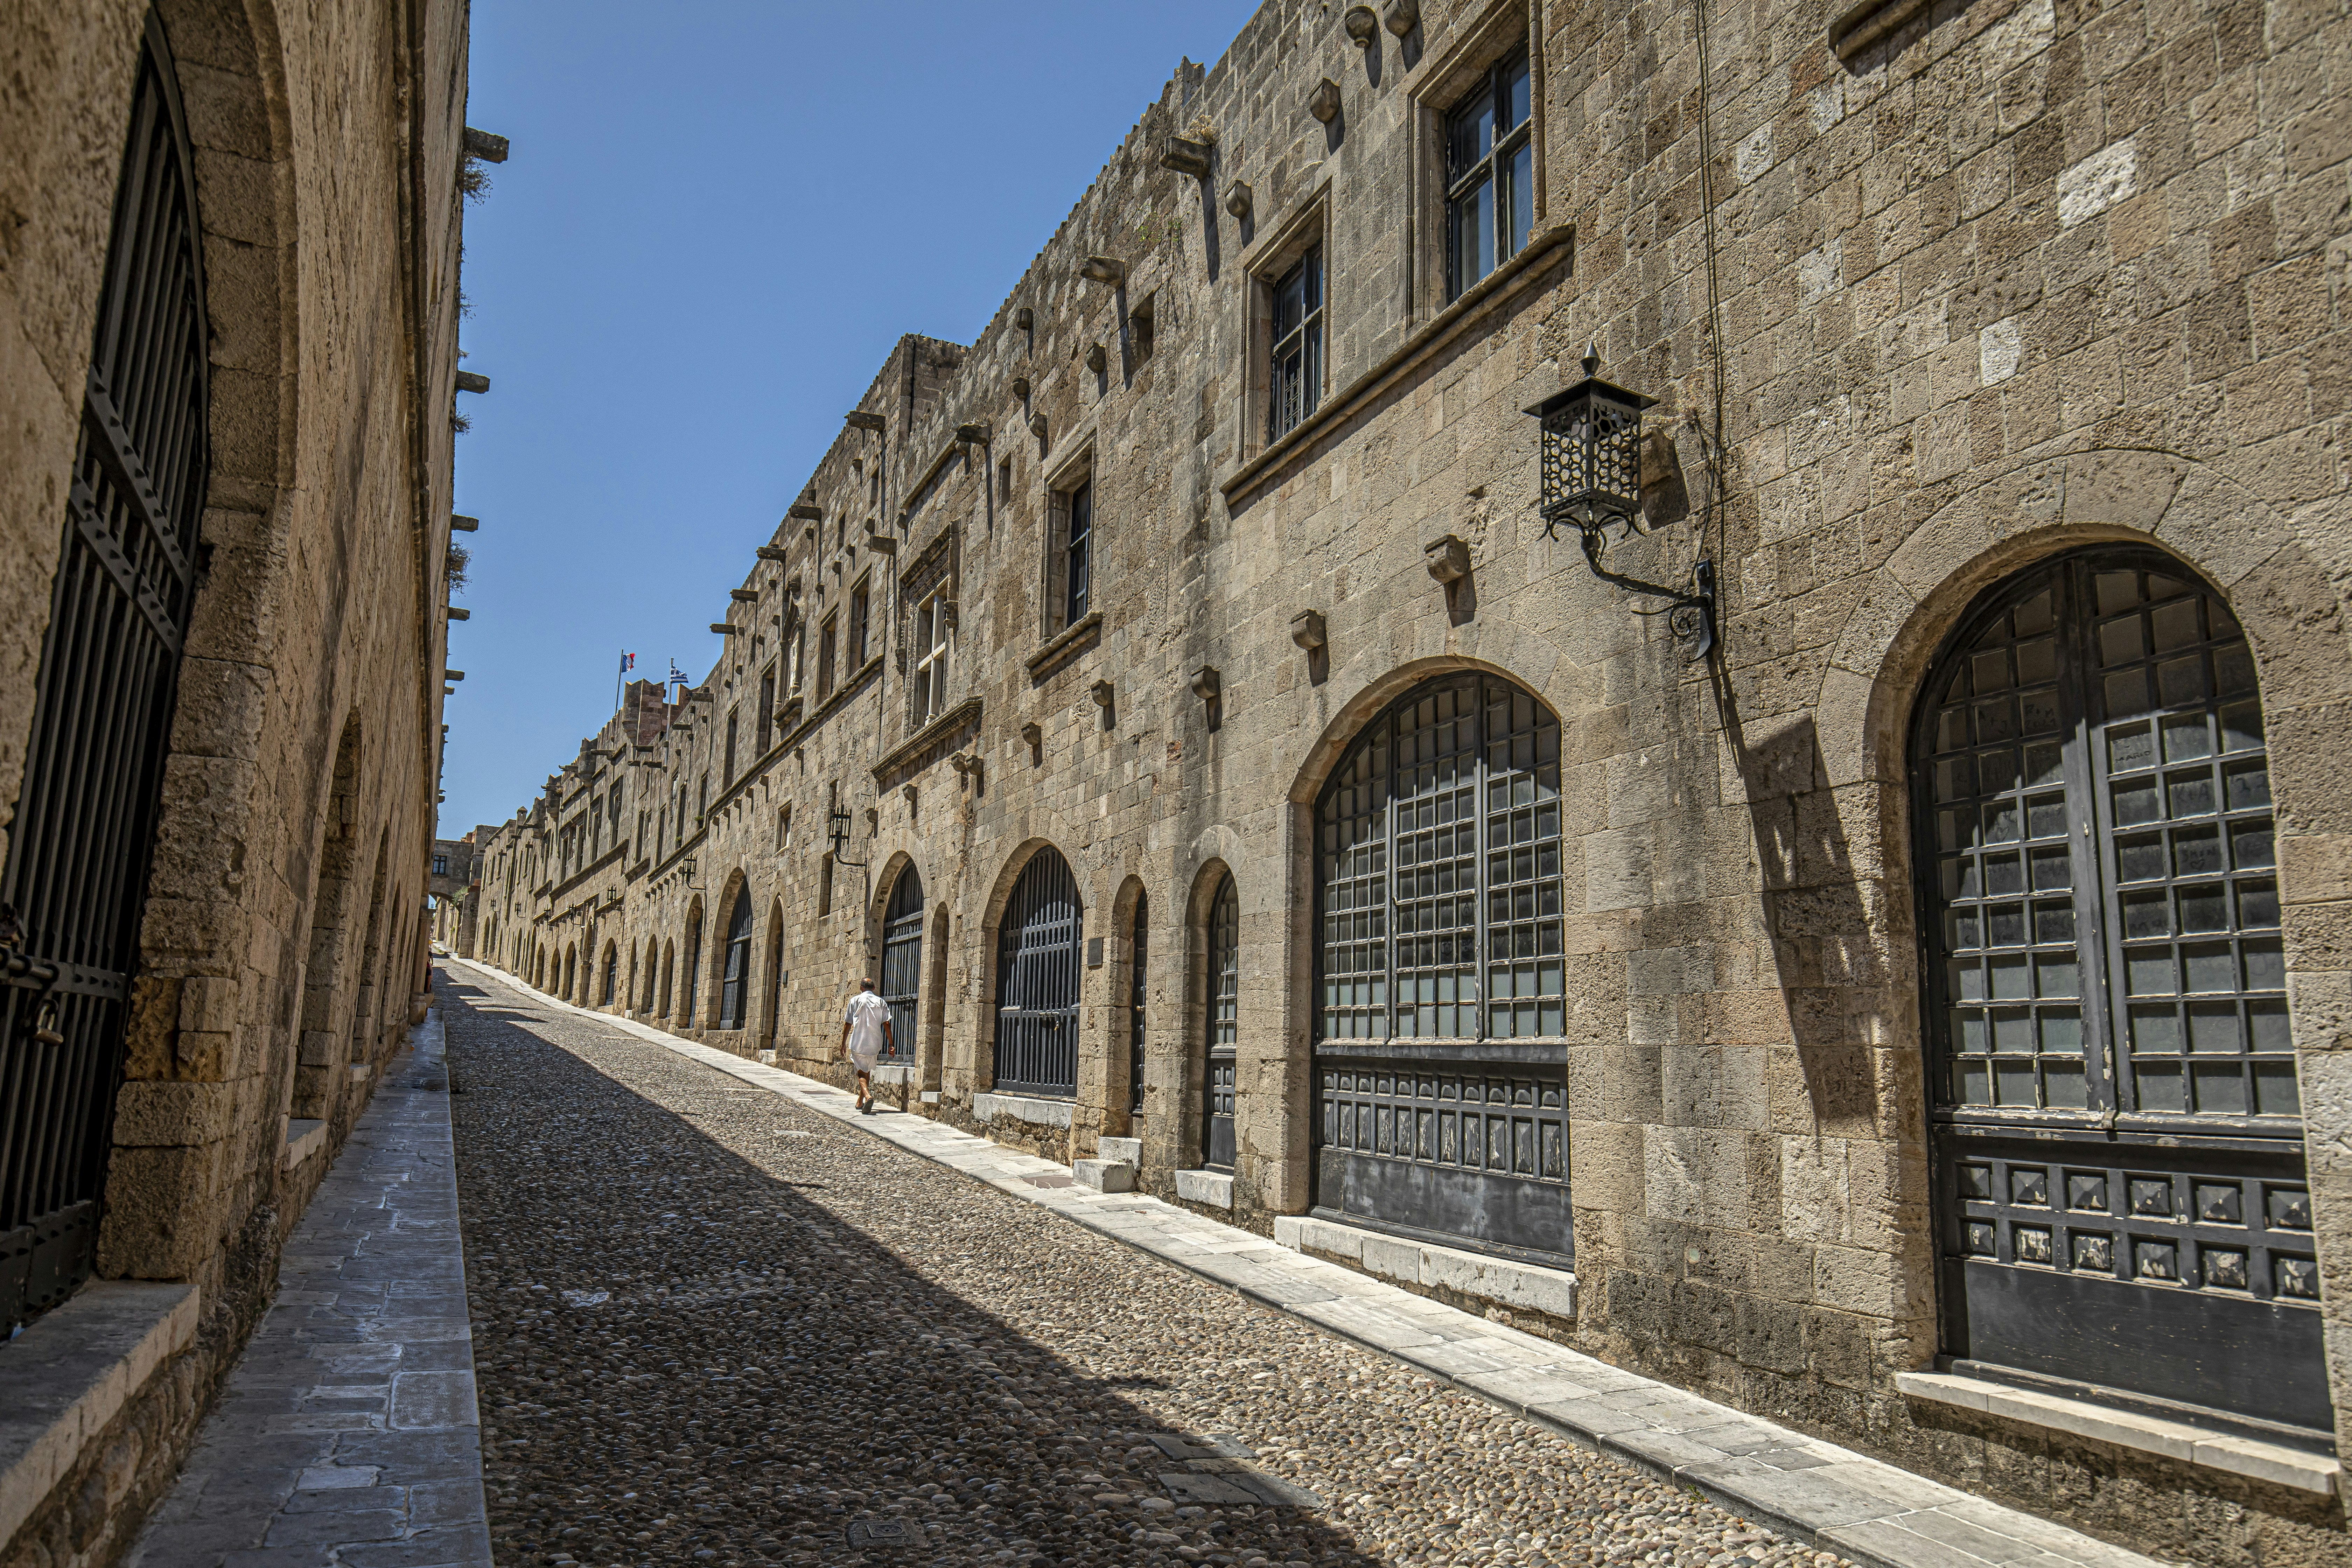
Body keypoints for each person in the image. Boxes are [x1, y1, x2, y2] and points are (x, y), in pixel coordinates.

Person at [839, 977, 893, 1113]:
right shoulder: (881, 1002)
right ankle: (860, 1102)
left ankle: (868, 1096)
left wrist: (843, 1043)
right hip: (875, 1043)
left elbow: (848, 1024)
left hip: (859, 1041)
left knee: (861, 1073)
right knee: (867, 1070)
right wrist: (891, 1044)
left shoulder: (855, 1001)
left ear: (861, 987)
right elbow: (887, 1023)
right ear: (874, 988)